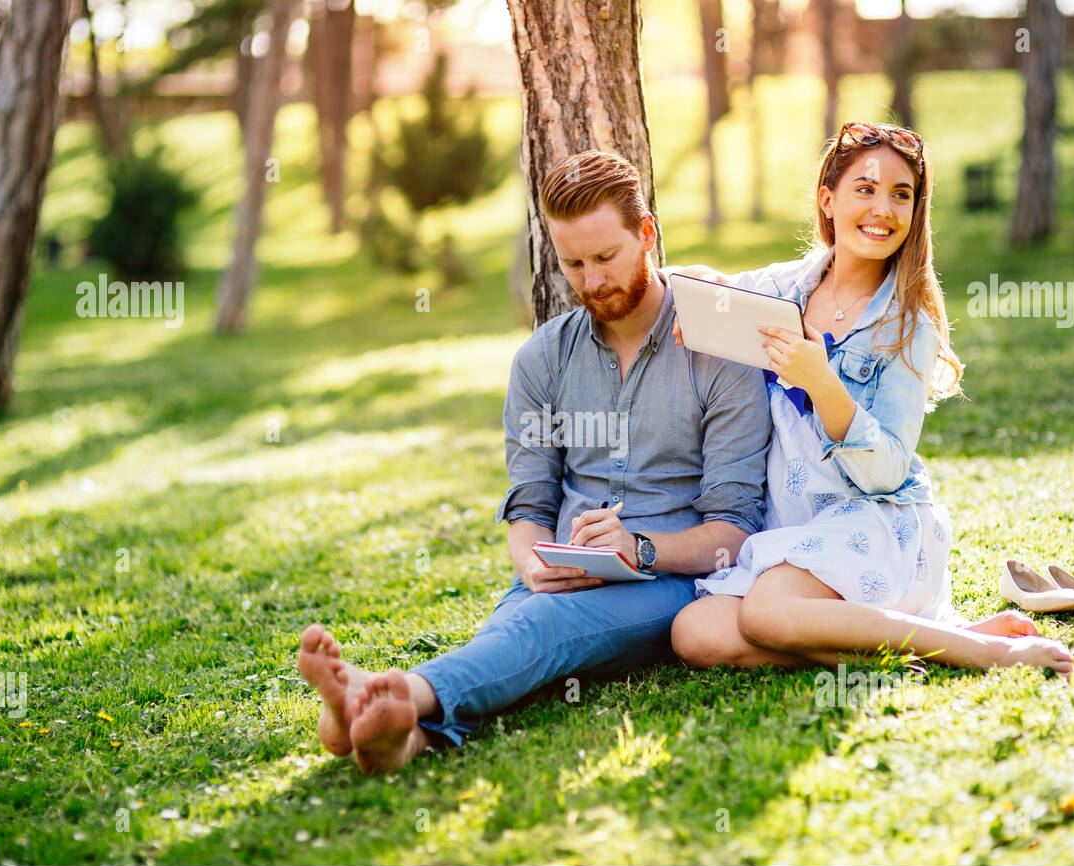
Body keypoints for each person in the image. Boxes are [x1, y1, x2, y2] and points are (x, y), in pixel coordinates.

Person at [298, 150, 773, 772]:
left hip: (675, 583)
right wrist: (532, 563)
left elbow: (734, 533)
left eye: (606, 257)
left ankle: (391, 693)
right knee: (518, 635)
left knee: (540, 632)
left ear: (648, 234)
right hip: (558, 576)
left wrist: (640, 548)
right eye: (573, 263)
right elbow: (531, 504)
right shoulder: (541, 360)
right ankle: (402, 738)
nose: (592, 280)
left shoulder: (720, 352)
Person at [668, 122, 1074, 679]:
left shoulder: (909, 325)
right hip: (793, 535)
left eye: (900, 194)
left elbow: (886, 471)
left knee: (766, 612)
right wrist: (688, 297)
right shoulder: (780, 290)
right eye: (865, 189)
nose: (882, 208)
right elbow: (707, 287)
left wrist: (823, 384)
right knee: (695, 631)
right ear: (827, 201)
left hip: (876, 525)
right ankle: (922, 643)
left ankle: (986, 653)